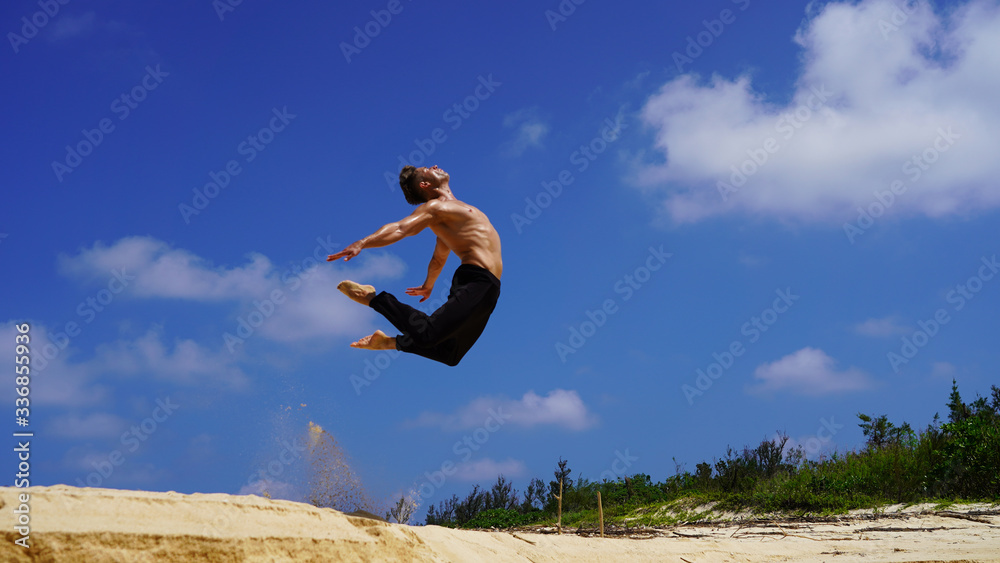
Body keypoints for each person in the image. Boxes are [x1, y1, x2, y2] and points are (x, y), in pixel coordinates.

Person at [327, 165, 502, 366]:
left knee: (450, 354)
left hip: (490, 286)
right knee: (428, 334)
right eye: (427, 168)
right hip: (477, 279)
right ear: (425, 184)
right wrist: (362, 243)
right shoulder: (435, 208)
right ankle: (372, 298)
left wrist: (428, 285)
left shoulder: (451, 218)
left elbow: (439, 258)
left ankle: (386, 343)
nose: (435, 166)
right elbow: (401, 228)